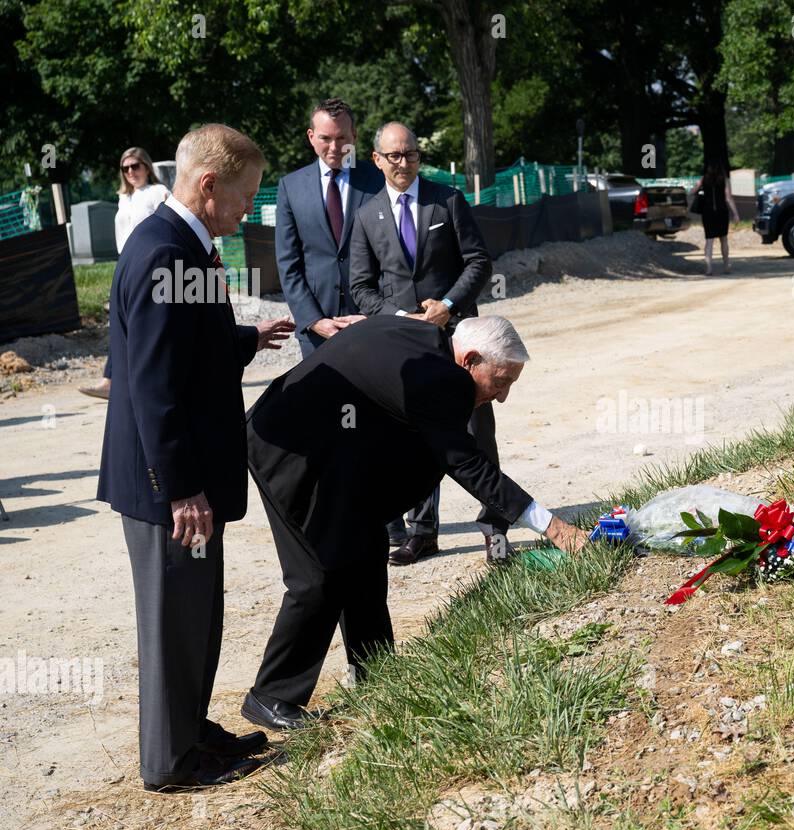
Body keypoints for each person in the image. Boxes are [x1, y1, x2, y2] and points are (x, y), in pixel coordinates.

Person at [240, 314, 587, 731]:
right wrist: (554, 527)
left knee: (365, 556)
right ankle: (271, 696)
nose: (502, 396)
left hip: (335, 456)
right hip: (290, 451)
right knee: (320, 574)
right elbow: (466, 463)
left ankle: (376, 675)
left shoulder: (430, 340)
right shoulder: (439, 379)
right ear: (470, 359)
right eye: (499, 382)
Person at [96, 124, 296, 791]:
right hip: (166, 486)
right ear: (209, 185)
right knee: (173, 619)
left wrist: (247, 337)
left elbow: (190, 345)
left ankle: (191, 729)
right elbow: (154, 388)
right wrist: (181, 488)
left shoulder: (185, 243)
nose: (249, 211)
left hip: (184, 479)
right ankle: (171, 760)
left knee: (196, 614)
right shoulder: (163, 254)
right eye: (244, 197)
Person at [350, 120, 507, 567]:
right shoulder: (366, 216)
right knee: (415, 436)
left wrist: (450, 304)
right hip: (405, 345)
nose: (404, 163)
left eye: (412, 154)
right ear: (377, 160)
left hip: (460, 338)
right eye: (395, 155)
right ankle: (423, 532)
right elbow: (361, 287)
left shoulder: (448, 200)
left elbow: (478, 261)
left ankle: (495, 526)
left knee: (477, 433)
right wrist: (403, 318)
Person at [275, 98, 386, 358]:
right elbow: (288, 263)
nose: (335, 147)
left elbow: (392, 255)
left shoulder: (380, 181)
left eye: (342, 138)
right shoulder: (290, 187)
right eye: (325, 138)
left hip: (373, 322)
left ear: (355, 136)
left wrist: (375, 313)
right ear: (311, 137)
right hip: (318, 331)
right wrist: (313, 320)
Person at [79, 147, 170, 401]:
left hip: (150, 264)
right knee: (121, 322)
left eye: (135, 166)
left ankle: (127, 380)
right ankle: (113, 380)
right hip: (125, 265)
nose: (131, 172)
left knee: (148, 323)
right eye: (125, 168)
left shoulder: (158, 193)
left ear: (146, 167)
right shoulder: (123, 198)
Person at [690, 163, 740, 275]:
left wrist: (698, 189)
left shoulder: (704, 179)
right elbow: (728, 197)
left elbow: (692, 191)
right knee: (724, 239)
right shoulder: (725, 180)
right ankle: (726, 266)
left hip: (707, 212)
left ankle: (709, 268)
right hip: (721, 211)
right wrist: (735, 214)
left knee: (709, 240)